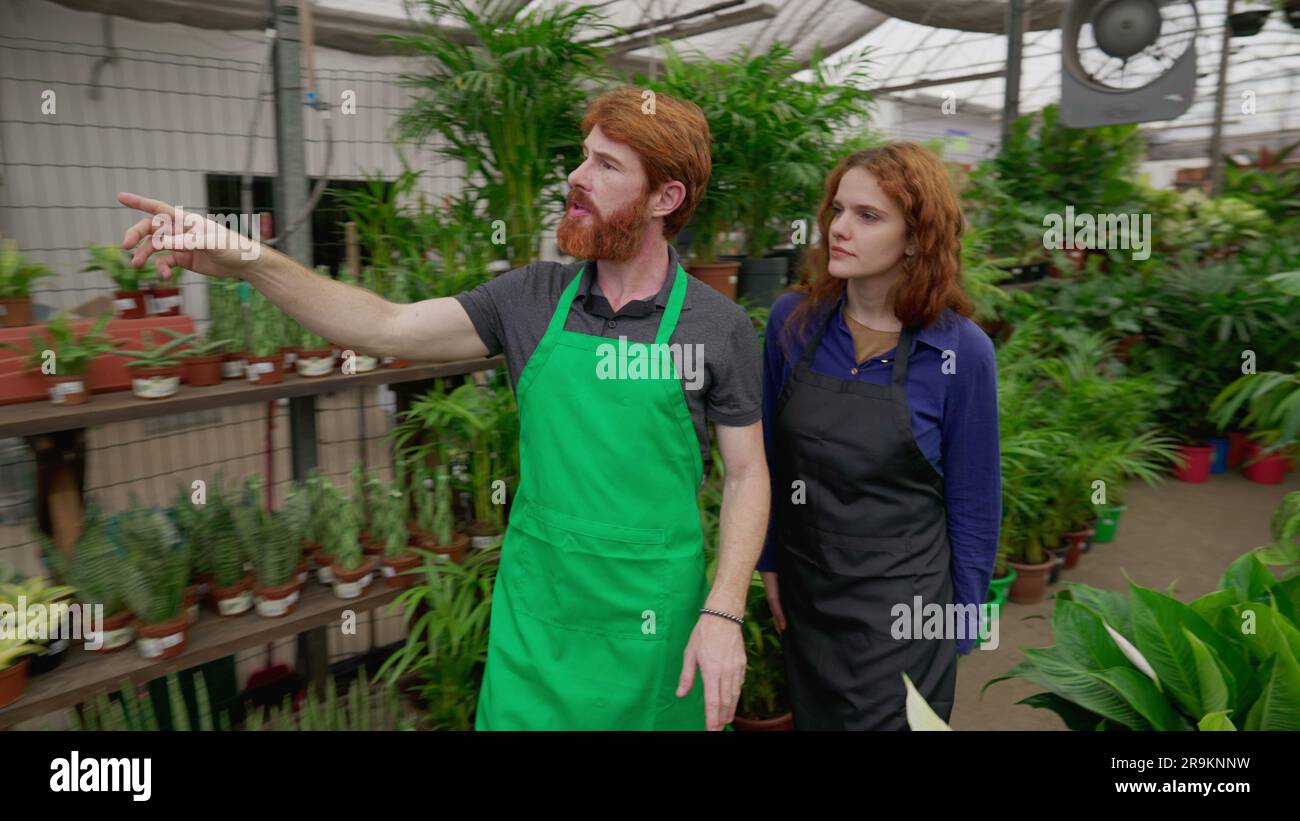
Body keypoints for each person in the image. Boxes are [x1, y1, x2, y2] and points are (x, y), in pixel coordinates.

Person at [114, 86, 769, 731]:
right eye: (583, 155)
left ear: (667, 197)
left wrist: (724, 611)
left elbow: (746, 474)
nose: (577, 176)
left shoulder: (719, 327)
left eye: (606, 165)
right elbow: (384, 327)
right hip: (540, 619)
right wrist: (251, 261)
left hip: (657, 628)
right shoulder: (531, 300)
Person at [757, 142, 1001, 730]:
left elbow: (974, 499)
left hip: (907, 609)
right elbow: (765, 458)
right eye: (838, 210)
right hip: (809, 592)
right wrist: (767, 561)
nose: (839, 229)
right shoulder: (793, 324)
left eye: (868, 216)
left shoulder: (961, 352)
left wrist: (963, 619)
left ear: (916, 237)